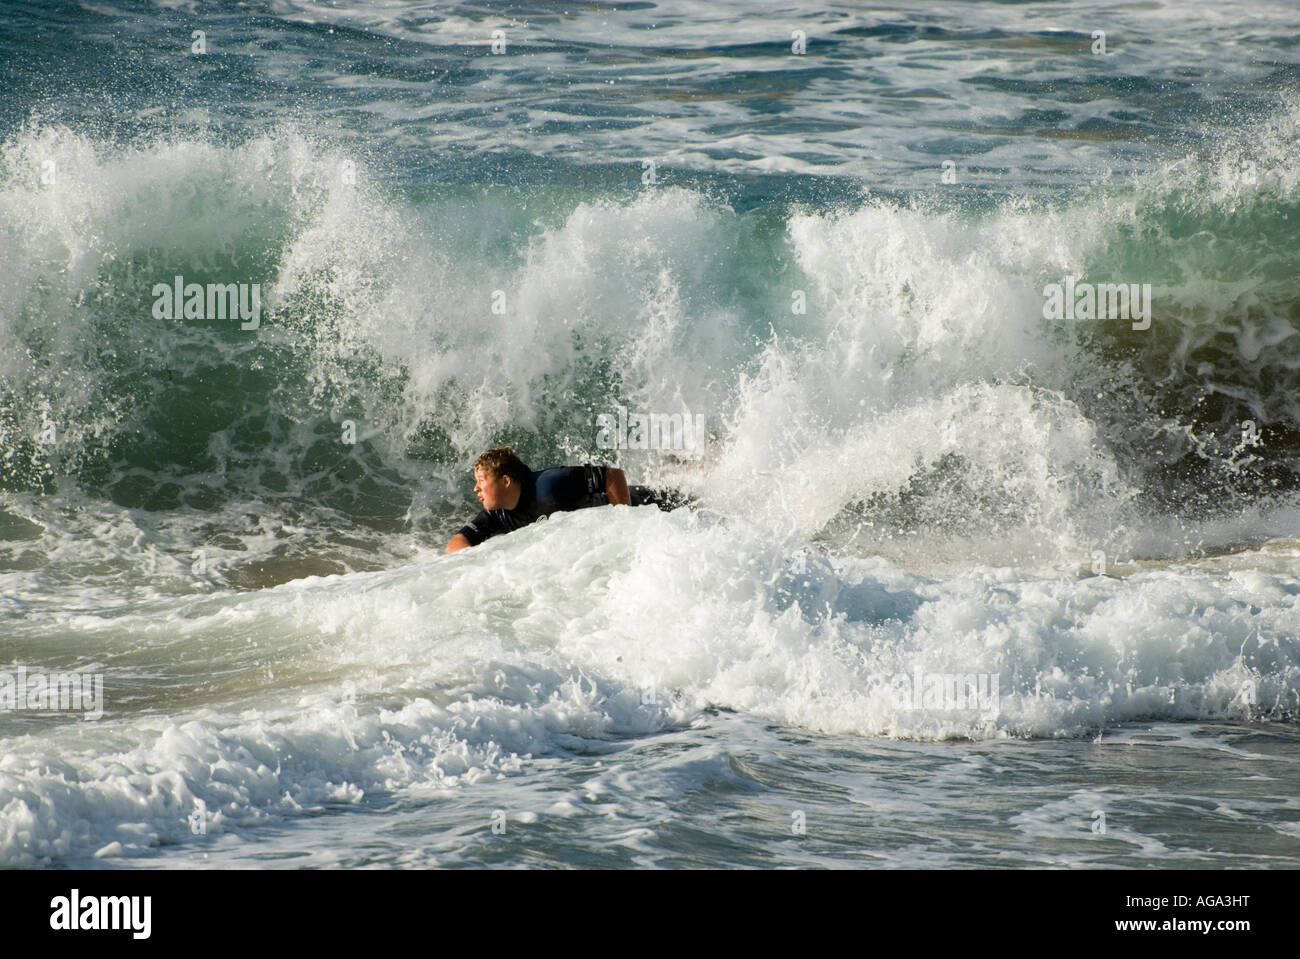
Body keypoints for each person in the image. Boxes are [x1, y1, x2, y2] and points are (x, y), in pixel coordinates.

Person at [445, 445, 687, 552]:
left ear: (505, 481)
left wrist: (625, 524)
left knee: (695, 500)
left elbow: (612, 475)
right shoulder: (498, 513)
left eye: (481, 481)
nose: (476, 489)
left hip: (657, 505)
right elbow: (456, 543)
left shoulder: (549, 485)